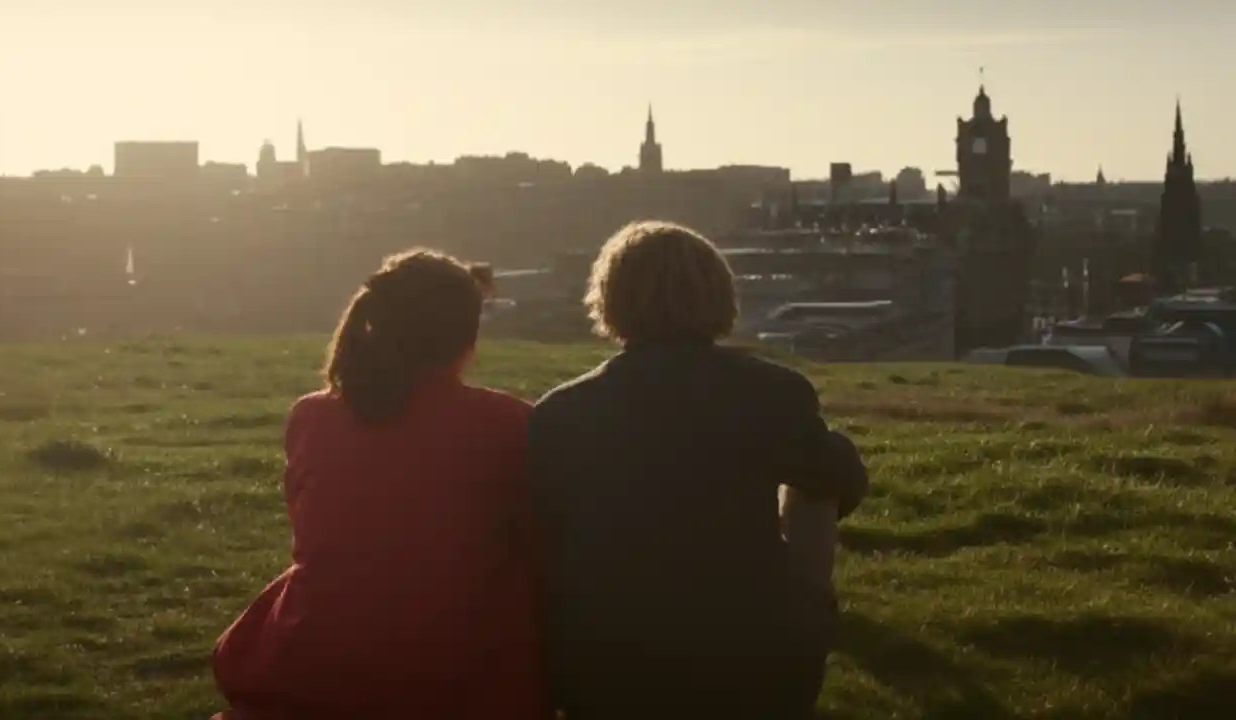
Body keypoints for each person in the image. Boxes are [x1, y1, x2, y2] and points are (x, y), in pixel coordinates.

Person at [529, 221, 868, 719]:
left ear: (609, 300)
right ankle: (802, 616)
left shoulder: (562, 412)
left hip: (605, 662)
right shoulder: (772, 392)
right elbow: (842, 481)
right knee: (816, 484)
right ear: (719, 296)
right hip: (748, 655)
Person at [212, 250, 547, 719]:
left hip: (315, 657)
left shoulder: (312, 416)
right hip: (459, 672)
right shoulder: (510, 423)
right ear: (466, 337)